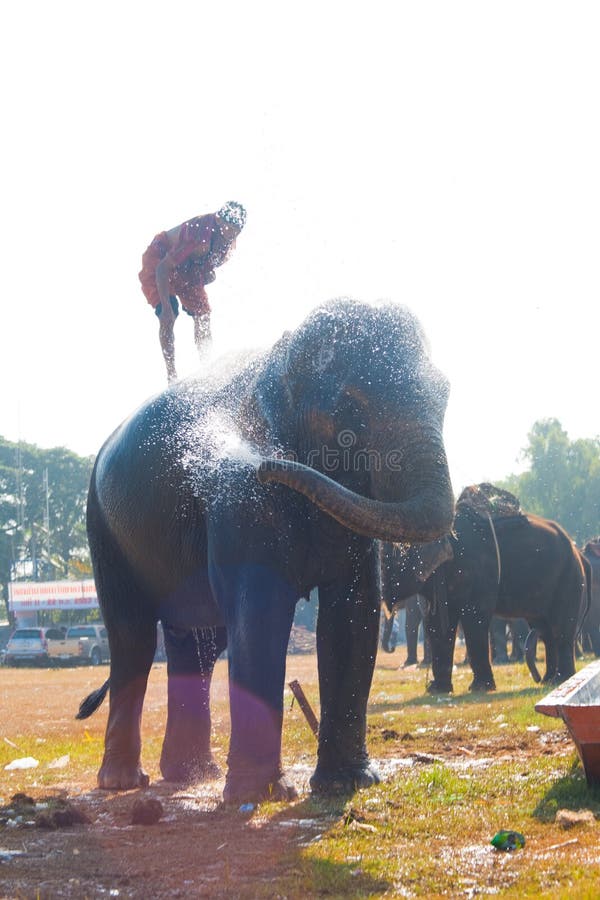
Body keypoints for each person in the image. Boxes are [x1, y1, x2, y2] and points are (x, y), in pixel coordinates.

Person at [139, 201, 246, 383]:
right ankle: (171, 376)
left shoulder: (228, 244)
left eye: (236, 231)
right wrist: (164, 306)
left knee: (203, 315)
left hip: (187, 269)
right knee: (170, 313)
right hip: (160, 260)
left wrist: (207, 275)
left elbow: (205, 271)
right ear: (219, 222)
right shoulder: (199, 234)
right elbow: (163, 268)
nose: (231, 235)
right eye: (229, 229)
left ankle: (207, 368)